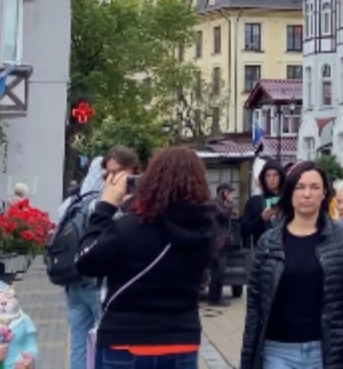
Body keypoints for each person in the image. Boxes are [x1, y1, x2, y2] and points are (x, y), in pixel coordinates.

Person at [77, 147, 217, 369]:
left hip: (126, 340)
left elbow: (86, 261)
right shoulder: (207, 231)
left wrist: (105, 208)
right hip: (182, 339)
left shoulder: (131, 227)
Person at [240, 161, 343, 369]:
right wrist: (248, 360)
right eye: (300, 187)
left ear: (324, 193)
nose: (307, 194)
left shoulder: (341, 238)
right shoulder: (269, 242)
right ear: (290, 192)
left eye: (314, 187)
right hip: (277, 351)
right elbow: (255, 307)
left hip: (325, 351)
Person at [53, 157, 108, 369]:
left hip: (71, 281)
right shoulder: (101, 204)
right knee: (104, 340)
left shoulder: (69, 204)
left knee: (78, 343)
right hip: (96, 283)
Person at [239, 159, 286, 249]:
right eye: (268, 176)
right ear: (263, 179)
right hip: (263, 252)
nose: (272, 179)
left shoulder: (289, 200)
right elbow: (244, 230)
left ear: (281, 177)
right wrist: (261, 219)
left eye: (275, 175)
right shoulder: (254, 201)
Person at [208, 183, 239, 305]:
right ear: (224, 193)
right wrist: (230, 207)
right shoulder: (215, 204)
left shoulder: (221, 205)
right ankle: (214, 298)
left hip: (222, 243)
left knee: (220, 271)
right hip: (217, 244)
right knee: (218, 271)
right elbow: (223, 215)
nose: (232, 195)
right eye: (230, 193)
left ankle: (216, 296)